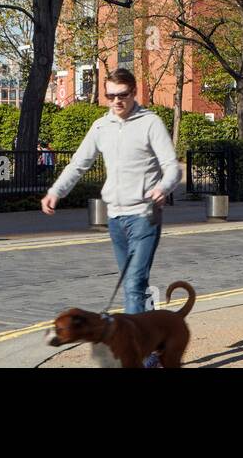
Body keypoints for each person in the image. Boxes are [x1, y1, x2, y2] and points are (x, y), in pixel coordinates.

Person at [40, 68, 179, 367]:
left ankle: (140, 358)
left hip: (144, 215)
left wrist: (163, 187)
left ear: (134, 92)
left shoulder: (150, 123)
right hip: (115, 218)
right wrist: (56, 192)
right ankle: (150, 328)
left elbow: (172, 166)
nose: (116, 101)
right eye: (110, 96)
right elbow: (79, 163)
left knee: (132, 285)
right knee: (133, 283)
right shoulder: (100, 127)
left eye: (122, 95)